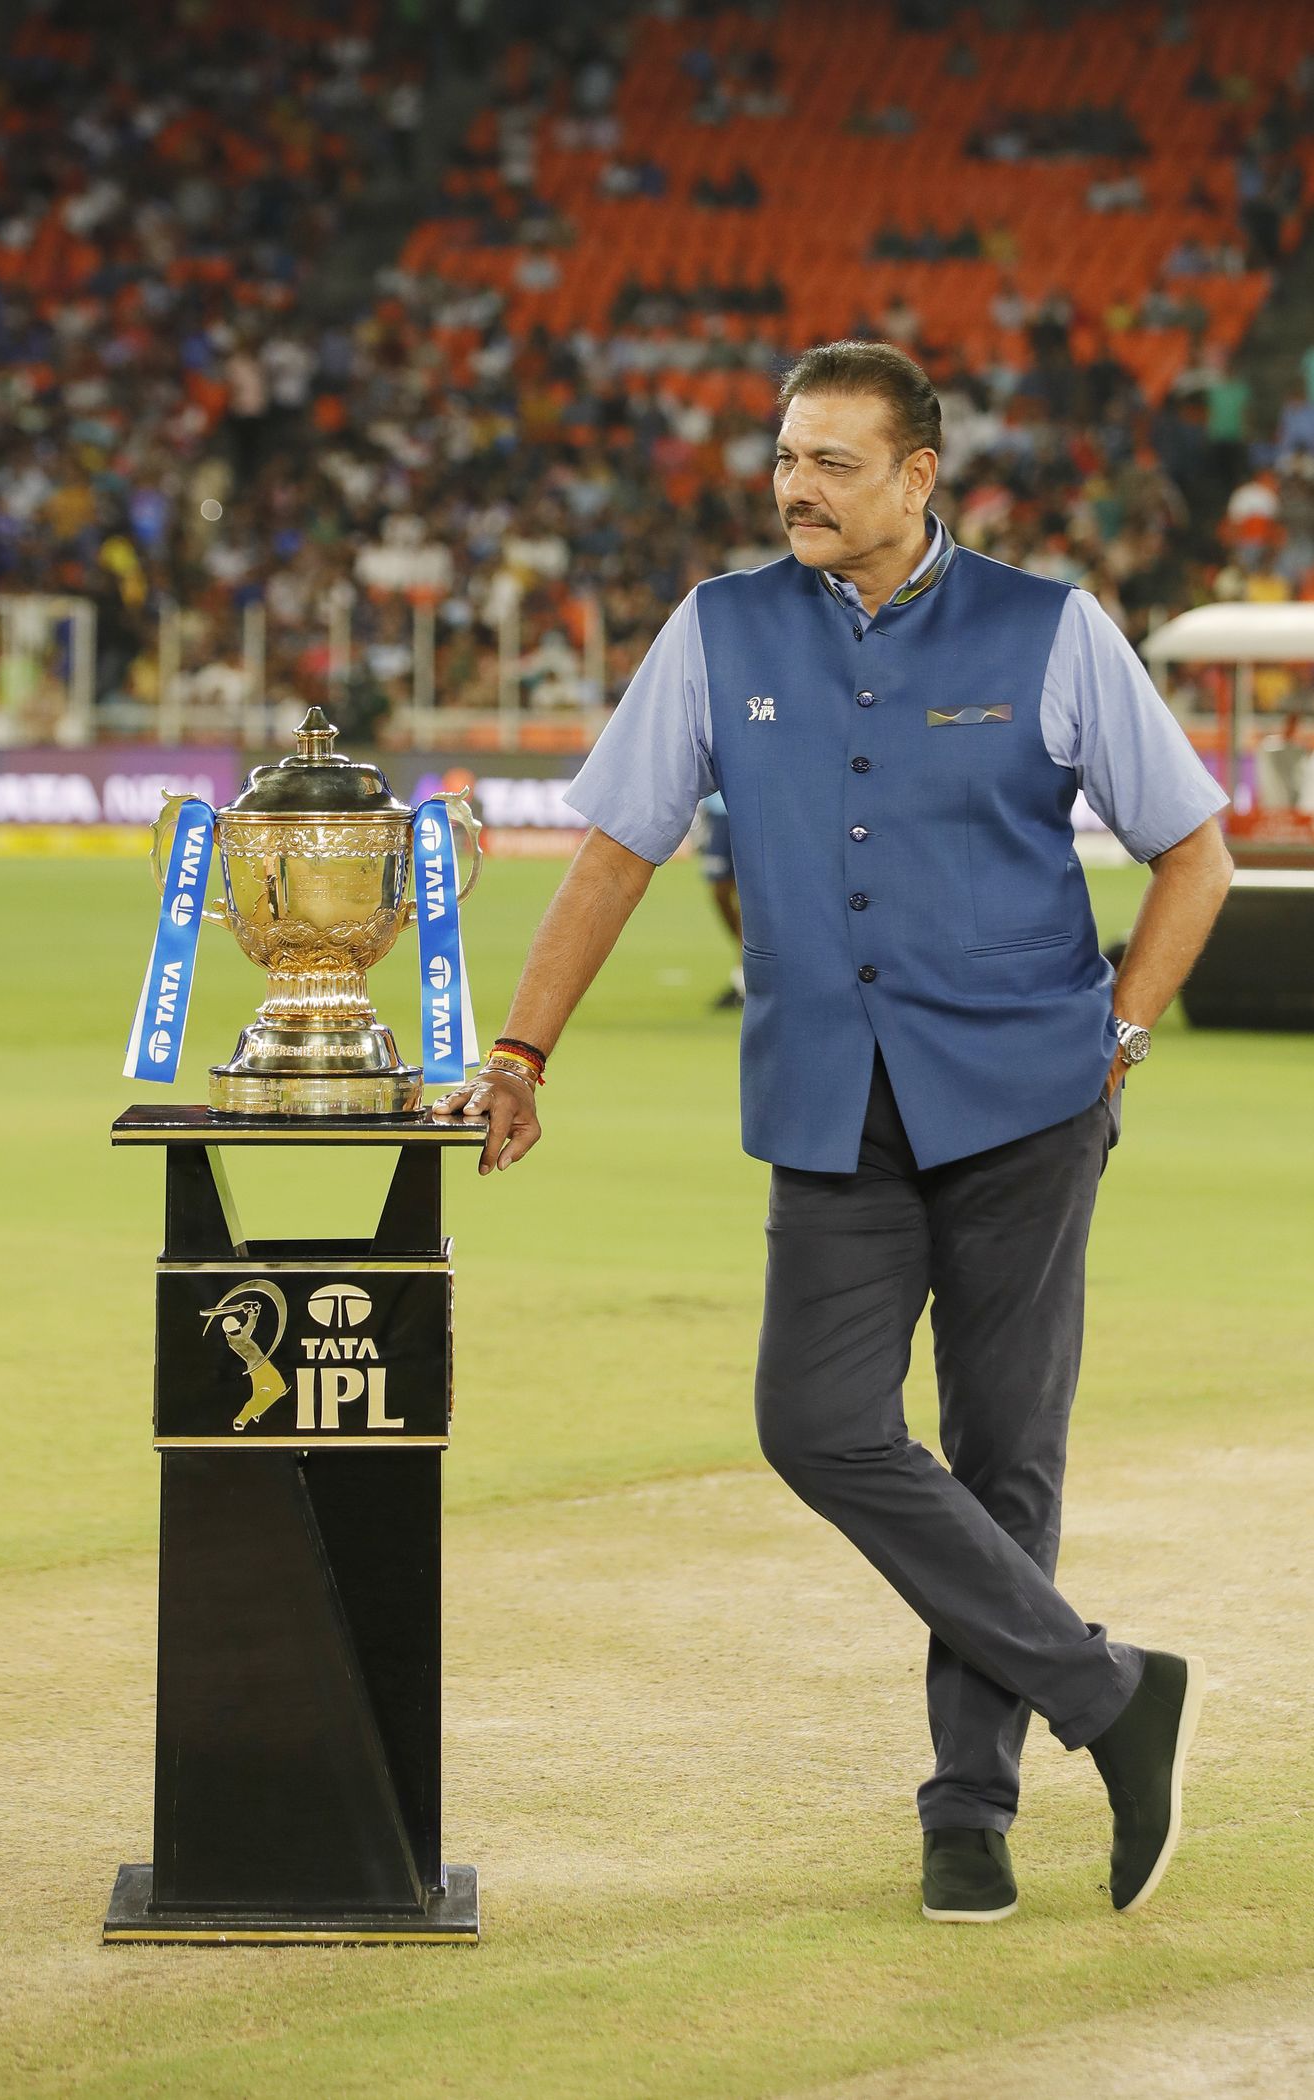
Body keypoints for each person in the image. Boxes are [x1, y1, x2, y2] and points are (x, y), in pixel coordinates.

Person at [436, 340, 1234, 1926]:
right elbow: (615, 851)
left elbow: (1194, 853)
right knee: (816, 1420)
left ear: (919, 476)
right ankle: (1112, 1692)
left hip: (1028, 1107)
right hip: (828, 1103)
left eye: (834, 463)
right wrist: (520, 1046)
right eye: (786, 459)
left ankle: (972, 1811)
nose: (797, 487)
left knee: (1009, 1456)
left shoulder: (1054, 625)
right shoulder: (717, 628)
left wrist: (1117, 1038)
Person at [697, 790, 744, 1008]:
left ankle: (743, 979)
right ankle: (749, 957)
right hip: (716, 811)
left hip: (747, 808)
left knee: (748, 896)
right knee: (719, 892)